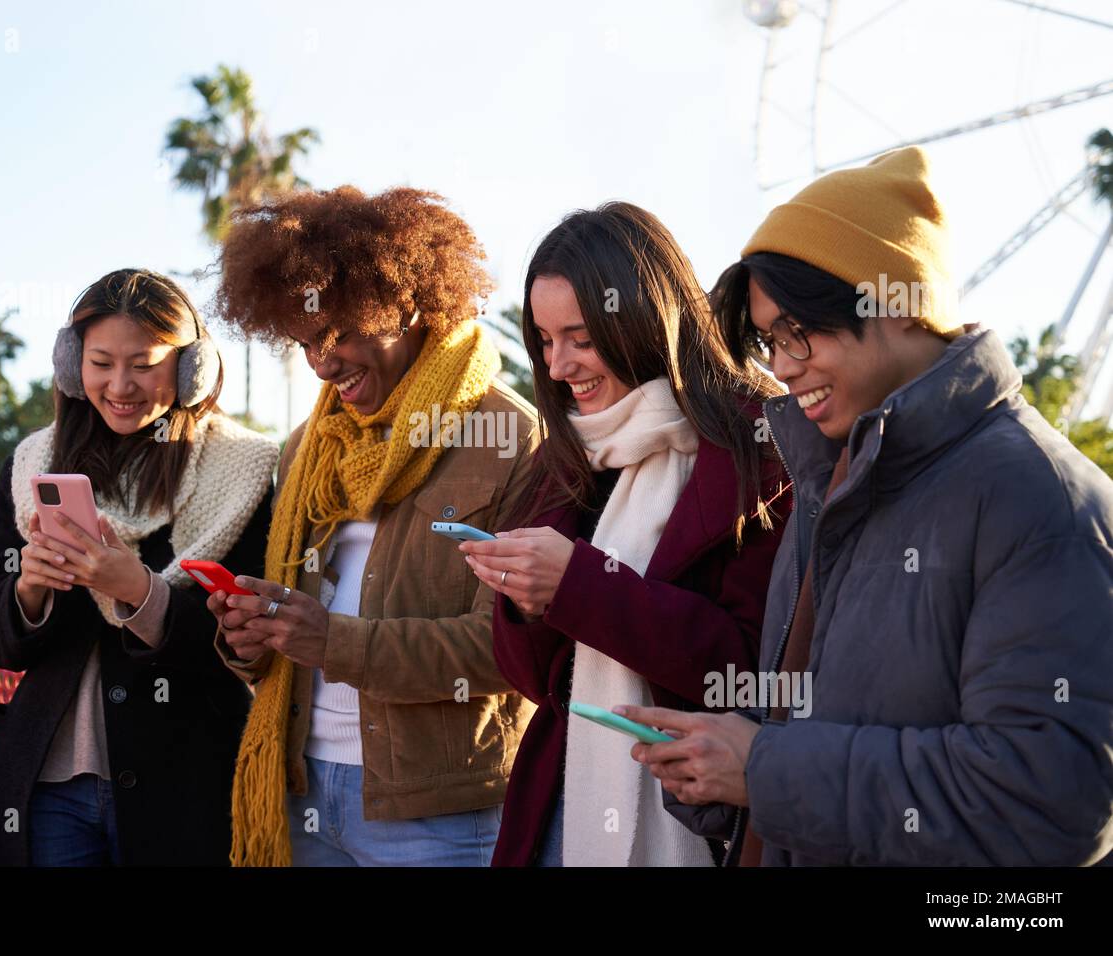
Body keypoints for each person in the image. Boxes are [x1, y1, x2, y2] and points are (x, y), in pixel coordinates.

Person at [625, 146, 1113, 866]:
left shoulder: (1039, 495)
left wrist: (764, 768)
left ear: (904, 305)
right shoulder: (834, 476)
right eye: (768, 340)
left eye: (801, 329)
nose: (782, 364)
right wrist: (716, 773)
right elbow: (805, 740)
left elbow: (1052, 802)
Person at [208, 185, 540, 866]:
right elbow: (285, 641)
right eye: (305, 344)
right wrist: (249, 636)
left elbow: (508, 651)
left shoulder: (510, 435)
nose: (324, 364)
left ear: (408, 304)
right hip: (302, 792)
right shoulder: (309, 445)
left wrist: (332, 639)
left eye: (339, 335)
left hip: (439, 813)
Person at [461, 202, 790, 866]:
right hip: (559, 812)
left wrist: (577, 584)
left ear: (642, 321)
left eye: (580, 339)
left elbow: (748, 670)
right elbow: (530, 681)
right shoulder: (561, 457)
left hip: (698, 819)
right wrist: (527, 603)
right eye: (545, 340)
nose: (556, 367)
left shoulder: (760, 446)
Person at [0, 268, 278, 866]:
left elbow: (246, 645)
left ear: (193, 368)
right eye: (101, 362)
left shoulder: (244, 471)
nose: (120, 384)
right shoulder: (31, 463)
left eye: (144, 363)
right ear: (71, 364)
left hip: (183, 786)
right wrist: (30, 588)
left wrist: (136, 591)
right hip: (47, 784)